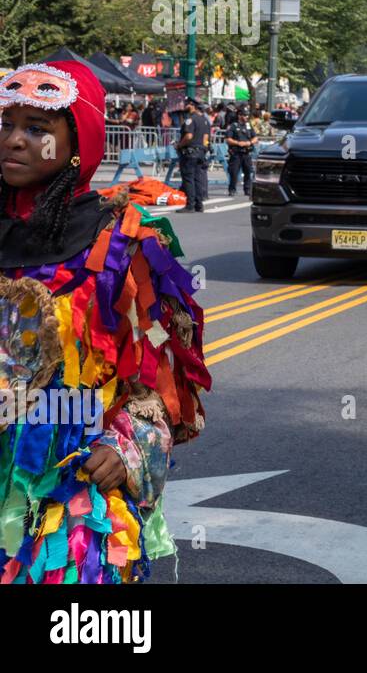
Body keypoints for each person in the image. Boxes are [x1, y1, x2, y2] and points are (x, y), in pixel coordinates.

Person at [0, 60, 210, 582]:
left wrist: (126, 446)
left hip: (66, 500)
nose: (14, 141)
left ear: (79, 142)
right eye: (6, 124)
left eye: (36, 128)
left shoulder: (122, 248)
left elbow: (157, 383)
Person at [176, 97, 210, 212]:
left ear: (192, 105)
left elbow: (189, 136)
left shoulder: (190, 120)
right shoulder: (204, 120)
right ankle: (199, 205)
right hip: (200, 152)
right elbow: (206, 138)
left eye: (186, 103)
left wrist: (179, 145)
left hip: (190, 153)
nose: (184, 105)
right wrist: (203, 149)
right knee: (197, 178)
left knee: (188, 178)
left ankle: (190, 205)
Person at [225, 106, 258, 197]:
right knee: (234, 172)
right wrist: (238, 143)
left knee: (248, 172)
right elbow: (228, 139)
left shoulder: (248, 125)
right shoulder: (233, 126)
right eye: (244, 115)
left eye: (247, 115)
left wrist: (249, 142)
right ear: (239, 115)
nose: (246, 117)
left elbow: (255, 138)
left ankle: (247, 189)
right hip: (236, 153)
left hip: (246, 153)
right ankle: (232, 189)